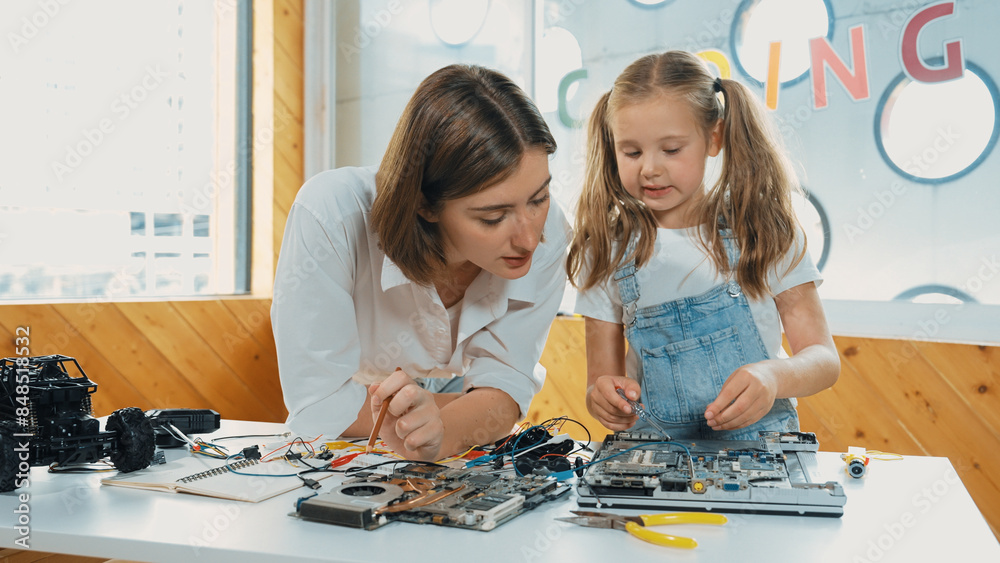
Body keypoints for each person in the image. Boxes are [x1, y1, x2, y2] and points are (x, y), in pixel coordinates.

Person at [272, 64, 570, 461]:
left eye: (539, 199)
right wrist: (471, 413)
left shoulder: (552, 233)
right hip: (357, 418)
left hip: (436, 401)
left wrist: (452, 424)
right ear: (424, 204)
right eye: (492, 218)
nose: (529, 238)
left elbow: (506, 385)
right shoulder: (330, 215)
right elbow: (318, 405)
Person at [567, 51, 840, 440]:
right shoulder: (607, 250)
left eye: (671, 149)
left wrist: (774, 376)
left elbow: (824, 360)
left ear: (714, 137)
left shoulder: (764, 231)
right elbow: (600, 382)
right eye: (632, 152)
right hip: (654, 454)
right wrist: (604, 398)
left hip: (762, 450)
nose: (650, 168)